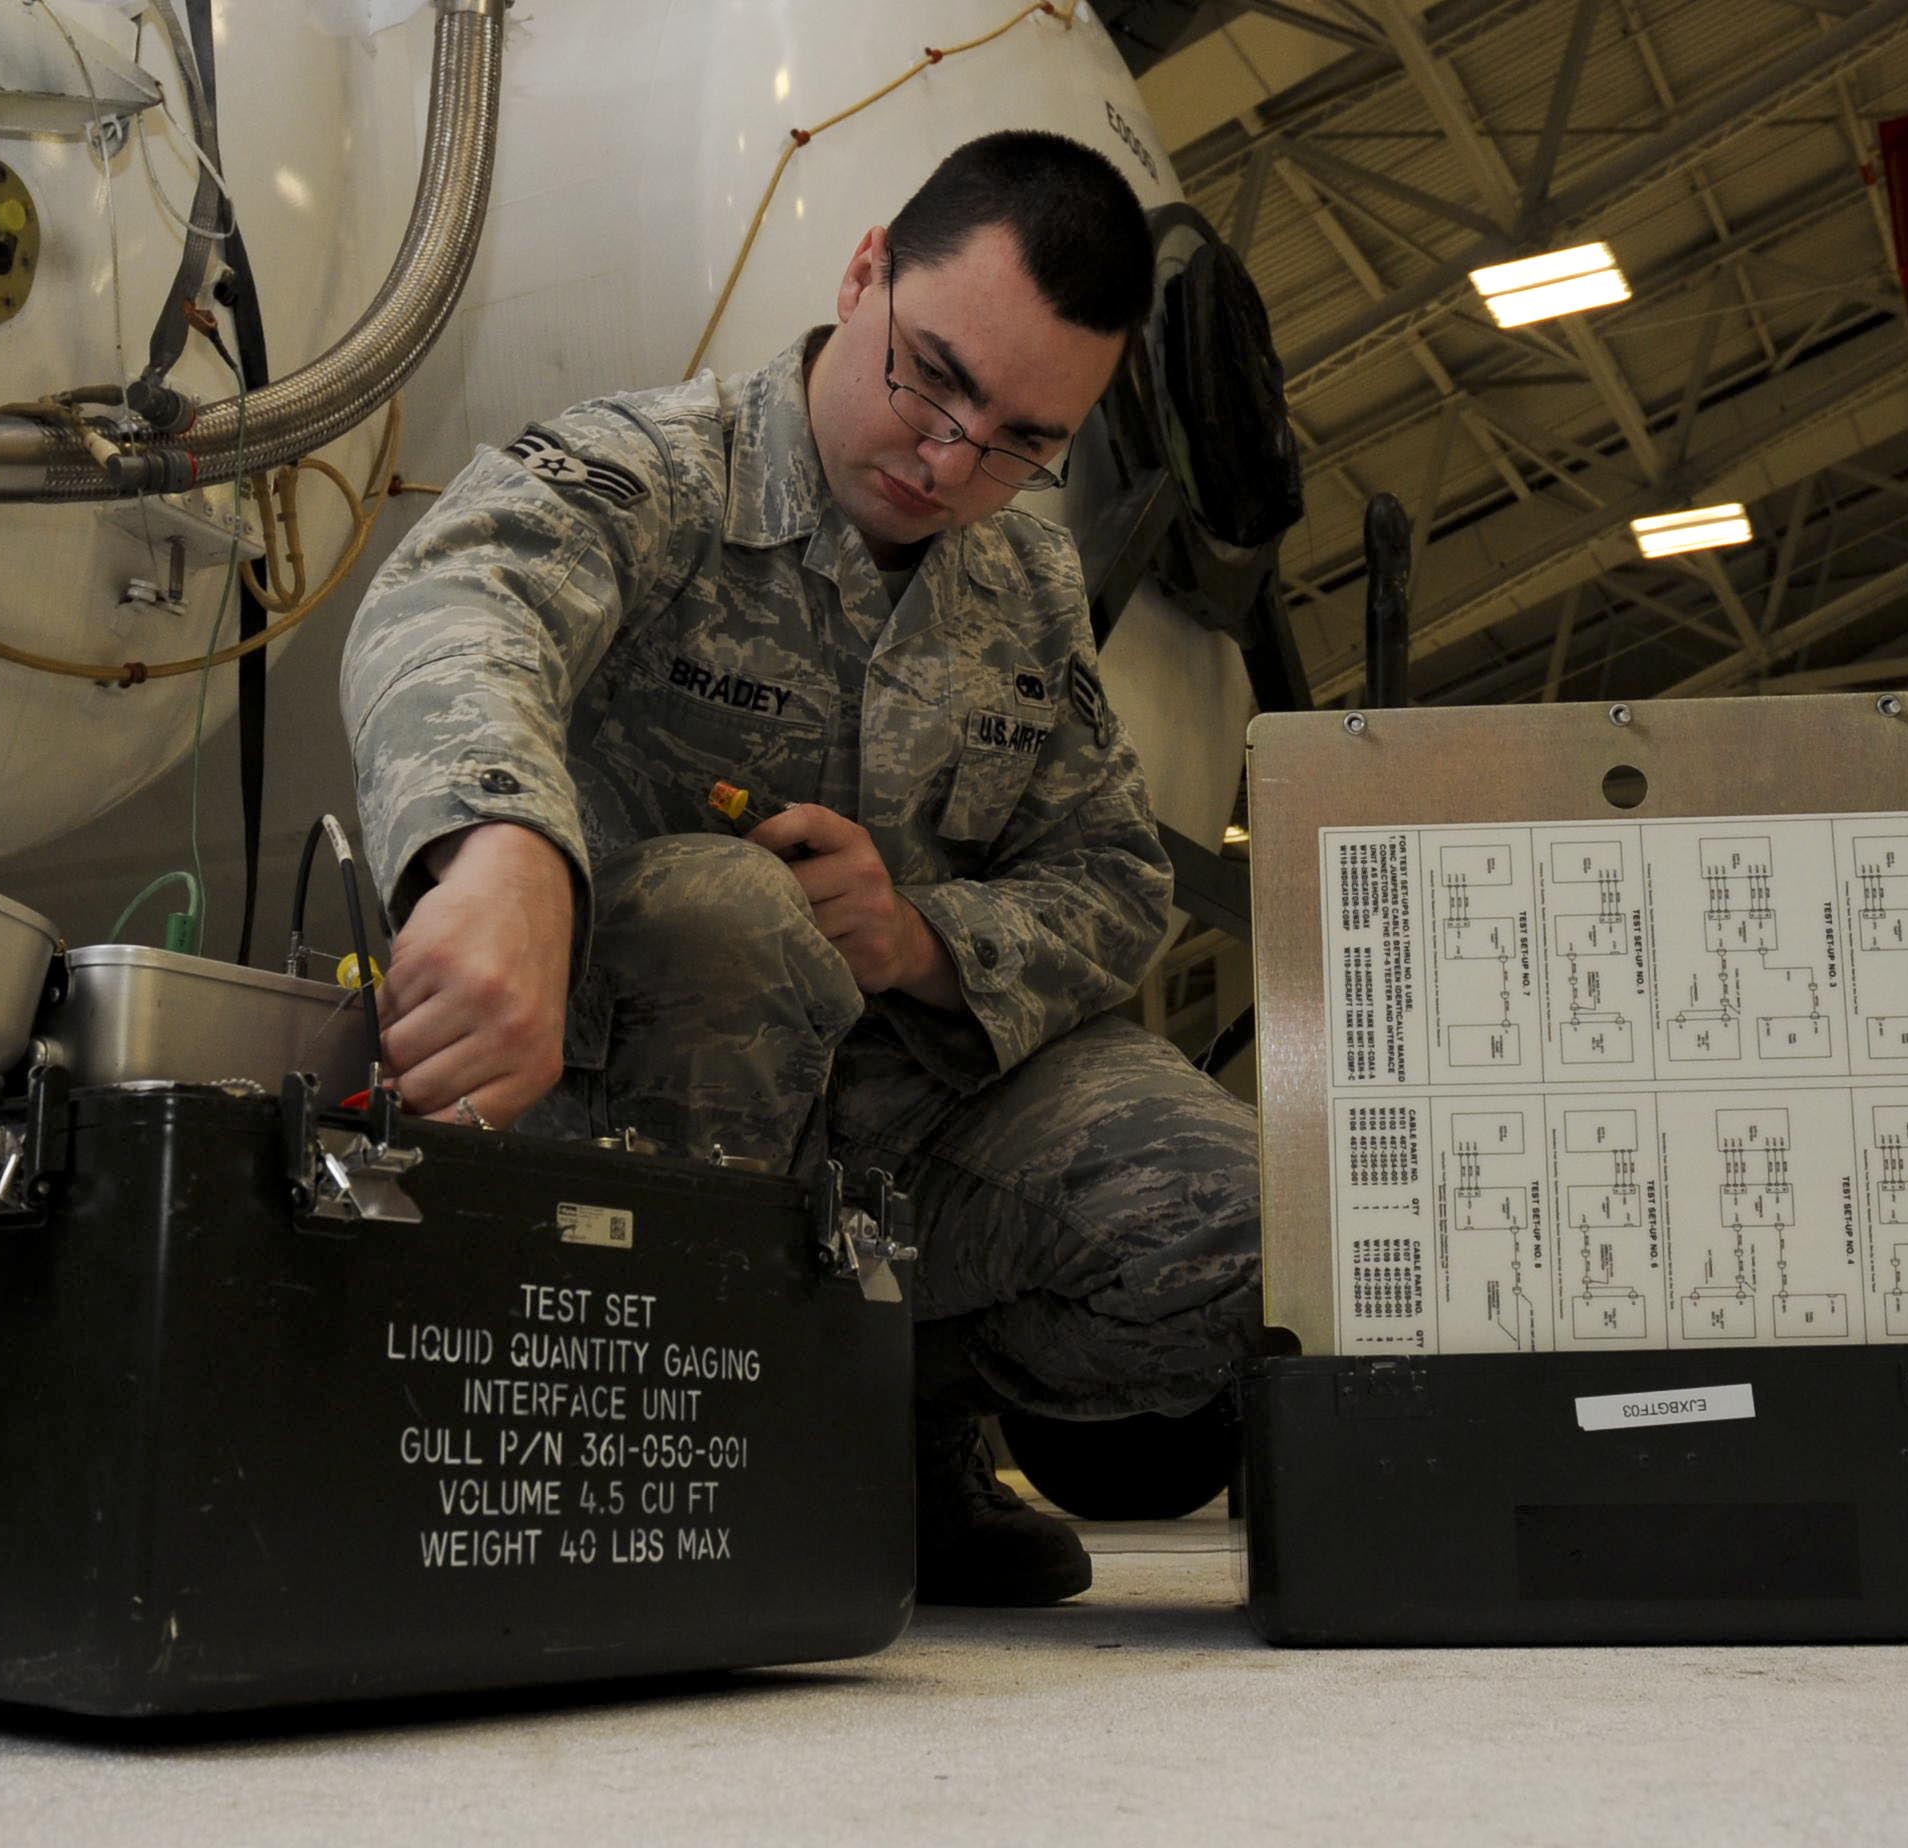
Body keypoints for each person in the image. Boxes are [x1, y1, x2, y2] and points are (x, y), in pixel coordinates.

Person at [342, 130, 1259, 1605]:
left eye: (1022, 442)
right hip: (632, 1117)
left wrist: (917, 939)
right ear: (864, 273)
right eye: (933, 380)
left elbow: (1112, 882)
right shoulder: (655, 472)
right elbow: (457, 605)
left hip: (895, 1129)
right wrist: (503, 850)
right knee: (731, 913)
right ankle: (649, 1452)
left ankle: (879, 1435)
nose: (952, 462)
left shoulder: (1023, 585)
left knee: (1240, 1227)